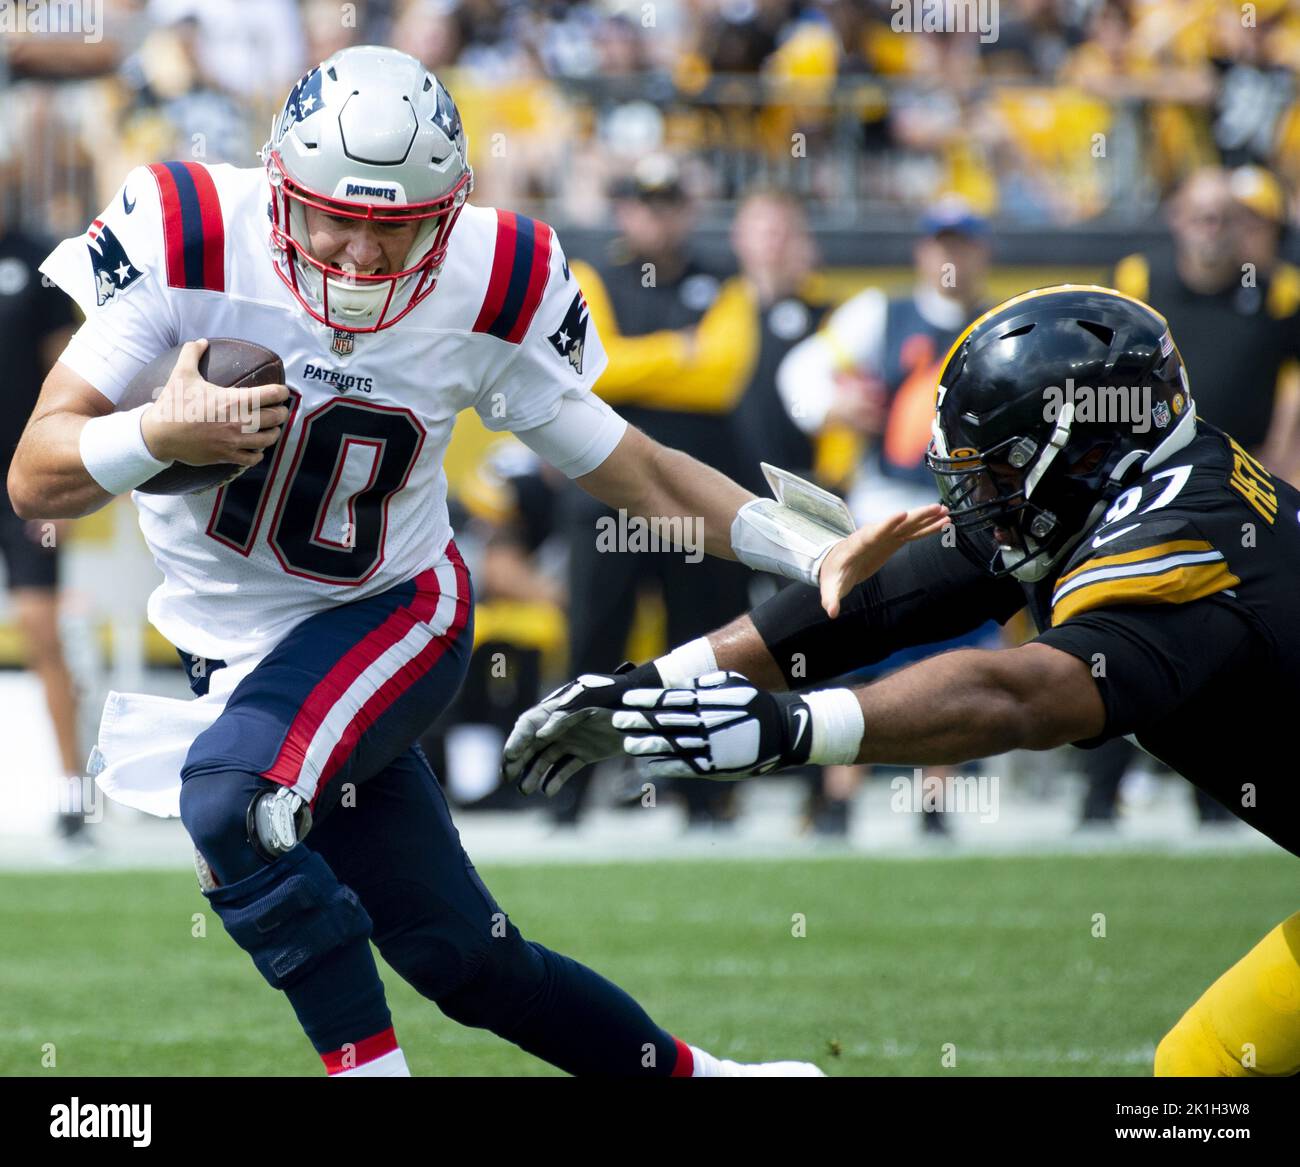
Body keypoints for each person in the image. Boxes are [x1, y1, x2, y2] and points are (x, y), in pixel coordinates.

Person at [13, 44, 938, 1077]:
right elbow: (35, 476)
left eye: (395, 227)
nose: (362, 259)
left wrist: (804, 543)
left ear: (445, 214)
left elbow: (637, 473)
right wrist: (155, 435)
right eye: (338, 220)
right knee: (464, 959)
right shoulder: (187, 238)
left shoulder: (489, 282)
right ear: (280, 195)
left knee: (232, 802)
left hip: (393, 614)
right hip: (236, 652)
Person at [506, 285, 1300, 1077]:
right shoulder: (1113, 487)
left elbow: (1023, 695)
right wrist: (654, 682)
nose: (975, 502)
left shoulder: (1178, 536)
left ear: (1084, 448)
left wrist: (791, 731)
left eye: (994, 474)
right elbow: (877, 604)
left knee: (1206, 1073)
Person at [0, 178, 80, 836]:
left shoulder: (38, 263)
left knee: (43, 636)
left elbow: (67, 379)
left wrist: (54, 487)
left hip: (24, 487)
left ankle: (73, 797)